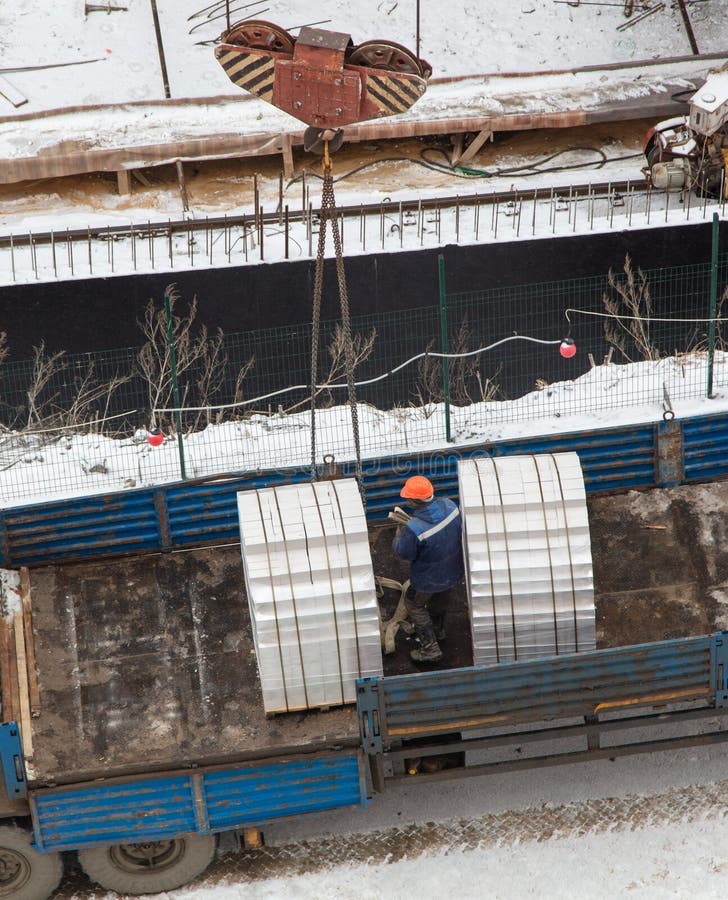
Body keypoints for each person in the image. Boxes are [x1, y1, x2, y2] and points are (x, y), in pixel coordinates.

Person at [392, 475, 464, 663]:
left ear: (414, 501)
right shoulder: (450, 506)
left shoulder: (414, 528)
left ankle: (430, 648)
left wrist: (399, 534)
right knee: (440, 599)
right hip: (453, 571)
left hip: (429, 579)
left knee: (414, 604)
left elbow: (403, 553)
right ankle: (439, 630)